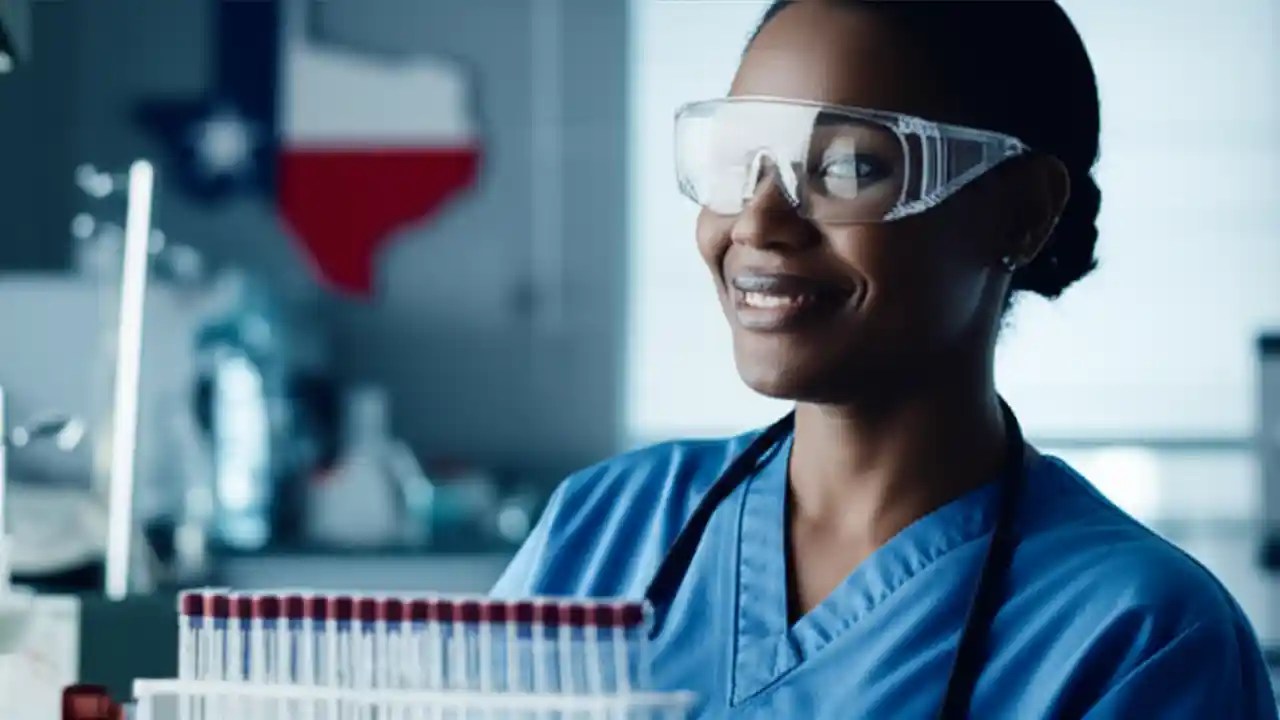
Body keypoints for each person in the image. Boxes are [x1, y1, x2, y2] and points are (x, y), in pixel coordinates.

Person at [492, 1, 1279, 717]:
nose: (758, 222)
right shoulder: (606, 529)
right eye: (738, 163)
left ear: (1023, 213)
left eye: (849, 168)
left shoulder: (1139, 636)